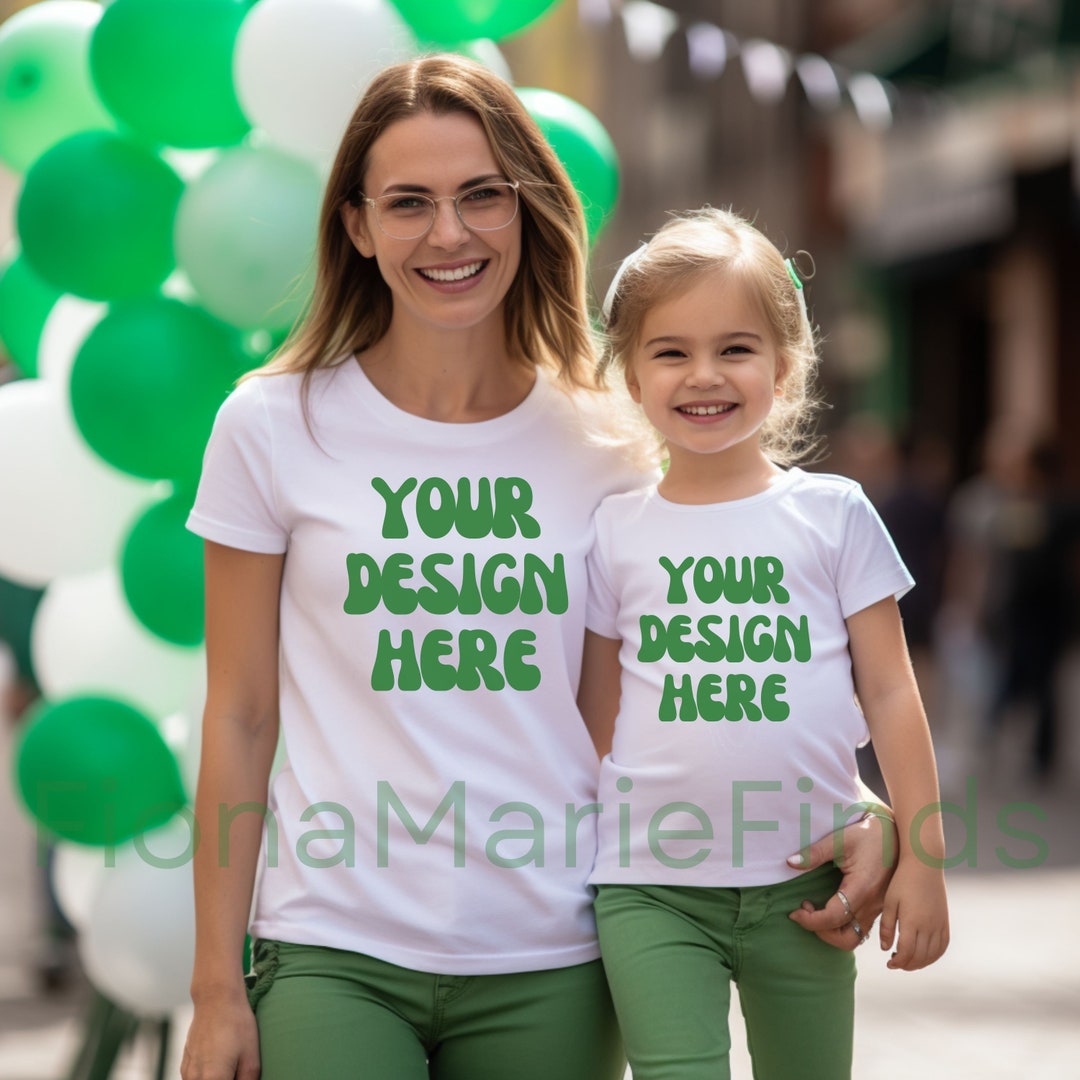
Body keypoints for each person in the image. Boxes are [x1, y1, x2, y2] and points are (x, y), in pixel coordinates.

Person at [179, 57, 897, 1080]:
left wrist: (859, 804)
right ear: (355, 225)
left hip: (558, 949)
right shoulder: (270, 424)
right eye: (409, 203)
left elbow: (705, 664)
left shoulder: (611, 432)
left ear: (529, 209)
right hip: (332, 947)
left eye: (482, 195)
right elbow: (241, 712)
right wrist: (214, 986)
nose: (450, 233)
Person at [578, 207, 949, 1080]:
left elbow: (893, 694)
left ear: (784, 368)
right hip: (649, 889)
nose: (704, 375)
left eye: (735, 348)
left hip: (812, 883)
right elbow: (596, 712)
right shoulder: (612, 530)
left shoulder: (835, 514)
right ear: (630, 374)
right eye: (670, 351)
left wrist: (923, 860)